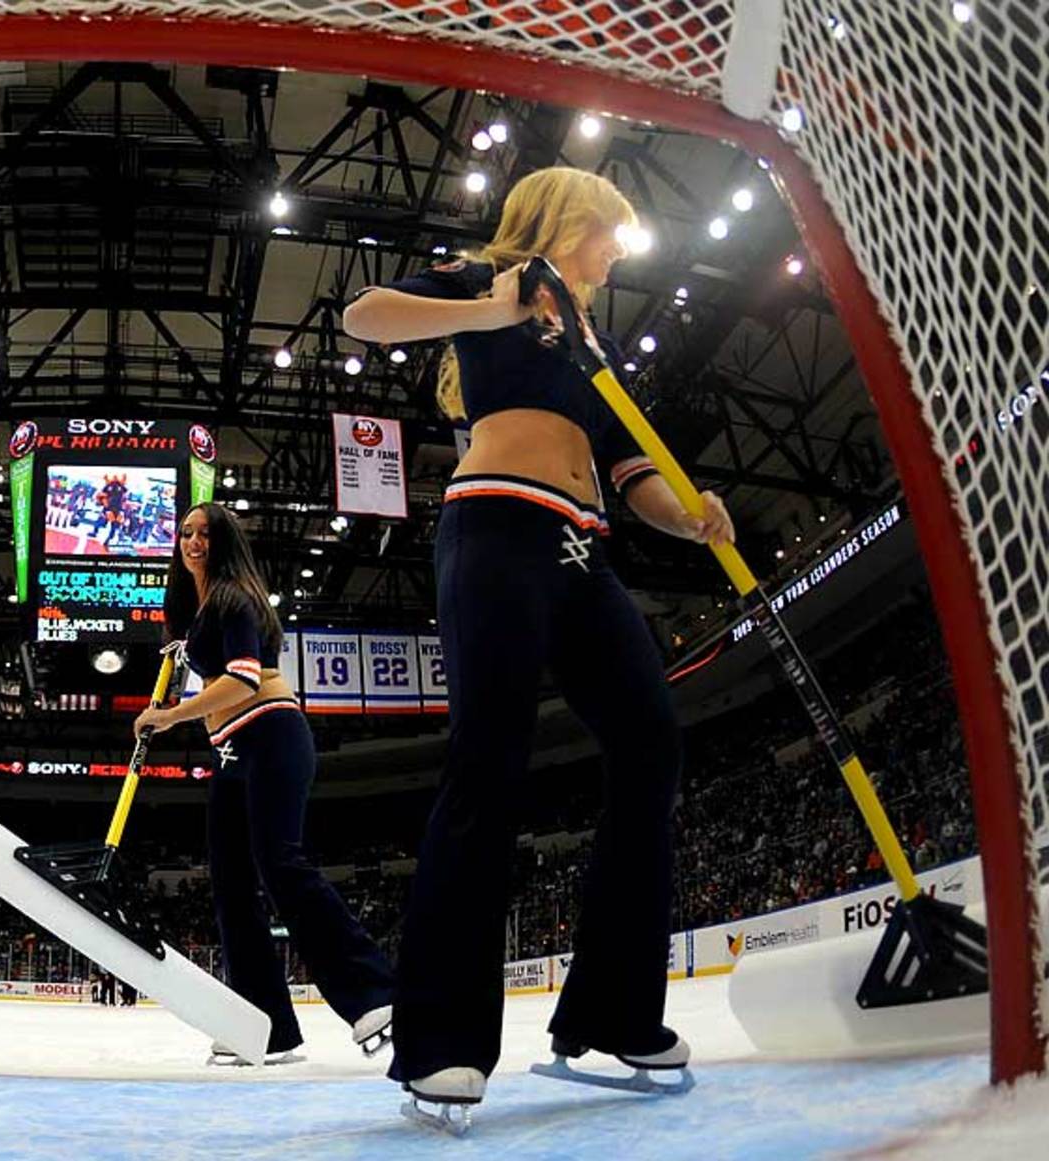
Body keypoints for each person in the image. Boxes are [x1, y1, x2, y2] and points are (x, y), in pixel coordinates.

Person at [343, 165, 735, 1111]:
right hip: (495, 523)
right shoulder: (489, 277)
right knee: (490, 760)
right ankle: (442, 1038)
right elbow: (363, 315)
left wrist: (686, 518)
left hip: (583, 544)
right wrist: (493, 309)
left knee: (651, 746)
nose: (615, 252)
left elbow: (627, 459)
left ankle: (612, 1011)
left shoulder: (592, 335)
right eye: (609, 233)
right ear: (571, 218)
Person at [133, 502, 394, 1061]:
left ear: (224, 543)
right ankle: (265, 1028)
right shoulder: (198, 608)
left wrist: (169, 716)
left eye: (206, 533)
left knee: (280, 864)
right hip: (229, 752)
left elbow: (245, 678)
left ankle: (375, 993)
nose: (193, 541)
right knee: (230, 886)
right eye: (185, 533)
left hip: (269, 734)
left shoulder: (235, 596)